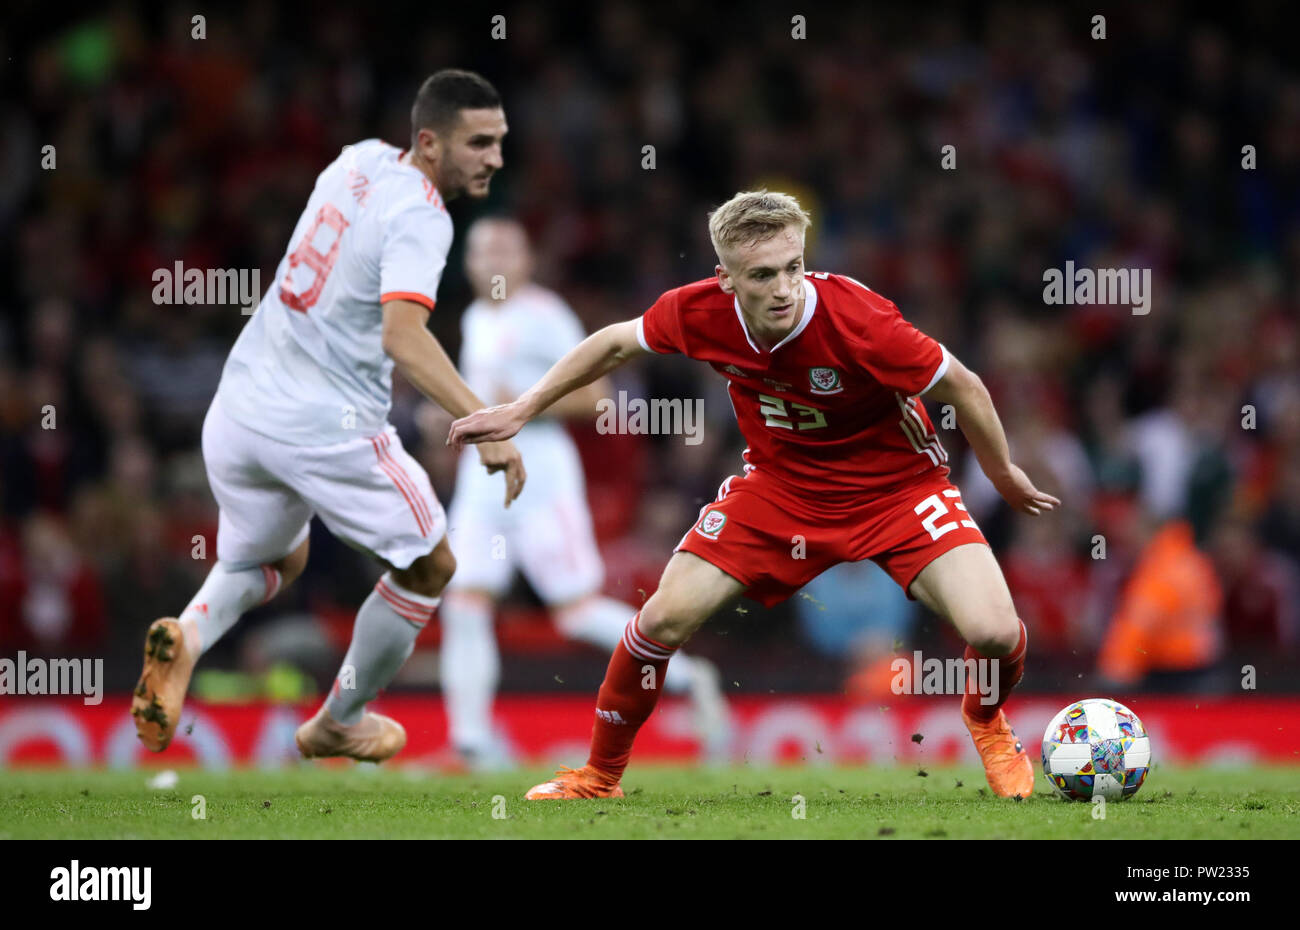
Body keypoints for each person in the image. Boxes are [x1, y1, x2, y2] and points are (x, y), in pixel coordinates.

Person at [449, 190, 1060, 799]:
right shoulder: (697, 313)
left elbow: (967, 388)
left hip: (896, 492)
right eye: (763, 275)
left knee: (996, 633)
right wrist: (524, 408)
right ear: (725, 280)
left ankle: (985, 720)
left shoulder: (859, 319)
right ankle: (600, 776)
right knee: (660, 617)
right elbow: (613, 343)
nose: (784, 289)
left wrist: (1001, 472)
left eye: (792, 268)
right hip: (781, 490)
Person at [131, 69, 525, 764]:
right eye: (480, 142)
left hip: (242, 407)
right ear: (430, 142)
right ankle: (341, 718)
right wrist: (485, 420)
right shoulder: (424, 216)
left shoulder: (355, 160)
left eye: (499, 142)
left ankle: (188, 636)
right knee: (429, 566)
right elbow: (402, 336)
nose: (495, 157)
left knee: (281, 555)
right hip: (325, 425)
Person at [439, 217, 729, 769]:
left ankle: (691, 679)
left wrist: (521, 404)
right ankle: (470, 744)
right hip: (483, 478)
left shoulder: (545, 317)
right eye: (481, 251)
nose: (492, 262)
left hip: (543, 476)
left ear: (526, 260)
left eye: (505, 250)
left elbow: (597, 399)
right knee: (465, 601)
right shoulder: (478, 317)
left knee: (572, 612)